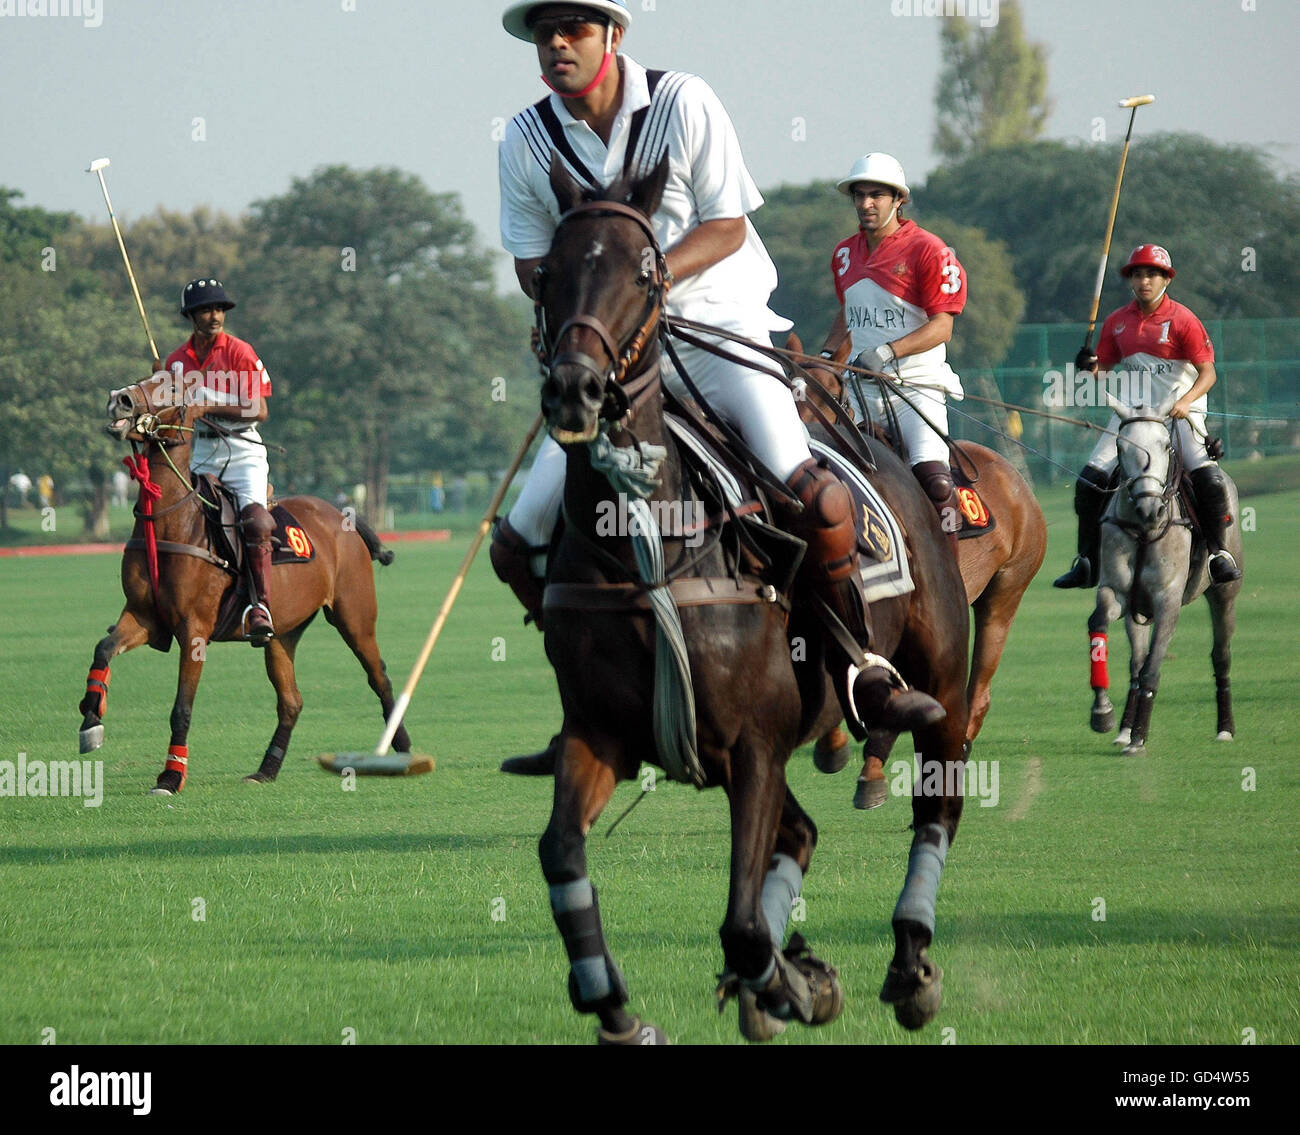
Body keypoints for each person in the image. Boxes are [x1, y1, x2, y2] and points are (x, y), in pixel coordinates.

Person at [492, 2, 943, 775]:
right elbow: (531, 263)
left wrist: (648, 274)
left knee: (812, 493)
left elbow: (727, 225)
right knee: (519, 537)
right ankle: (591, 705)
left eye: (574, 28)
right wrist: (577, 297)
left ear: (613, 36)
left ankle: (860, 668)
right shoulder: (525, 139)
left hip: (715, 335)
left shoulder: (681, 102)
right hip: (617, 362)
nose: (557, 43)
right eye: (544, 32)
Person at [1053, 243, 1241, 588]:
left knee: (1209, 479)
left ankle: (1217, 554)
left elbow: (1208, 373)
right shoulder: (1117, 322)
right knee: (1088, 481)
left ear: (1165, 279)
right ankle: (1087, 561)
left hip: (1177, 415)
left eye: (1152, 274)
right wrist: (1089, 365)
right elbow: (1104, 371)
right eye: (1138, 275)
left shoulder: (1183, 319)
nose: (1144, 281)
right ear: (1131, 280)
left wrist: (1186, 401)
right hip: (1131, 417)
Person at [807, 152, 967, 549]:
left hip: (915, 389)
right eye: (859, 195)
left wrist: (889, 351)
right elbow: (848, 315)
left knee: (932, 477)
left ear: (898, 199)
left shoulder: (927, 249)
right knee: (827, 477)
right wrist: (829, 359)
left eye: (876, 195)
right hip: (861, 394)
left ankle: (951, 567)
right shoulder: (844, 254)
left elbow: (942, 325)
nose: (865, 204)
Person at [164, 278, 277, 645]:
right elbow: (168, 413)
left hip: (243, 453)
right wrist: (160, 384)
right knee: (173, 518)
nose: (214, 316)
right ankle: (163, 601)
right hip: (201, 455)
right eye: (206, 310)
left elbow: (258, 410)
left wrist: (207, 403)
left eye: (218, 310)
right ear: (191, 316)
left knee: (256, 522)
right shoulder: (176, 362)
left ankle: (261, 606)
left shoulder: (241, 352)